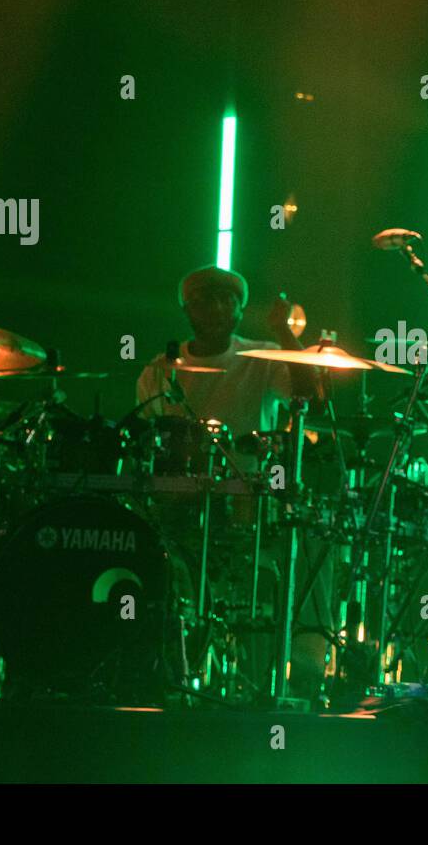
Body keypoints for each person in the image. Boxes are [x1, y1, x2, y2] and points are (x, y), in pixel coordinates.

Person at [135, 265, 333, 704]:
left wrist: (286, 335)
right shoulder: (159, 371)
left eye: (229, 300)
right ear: (188, 310)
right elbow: (145, 444)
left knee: (311, 551)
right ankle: (172, 674)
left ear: (241, 310)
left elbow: (311, 399)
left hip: (250, 506)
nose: (219, 308)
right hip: (178, 508)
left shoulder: (261, 357)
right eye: (207, 299)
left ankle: (289, 675)